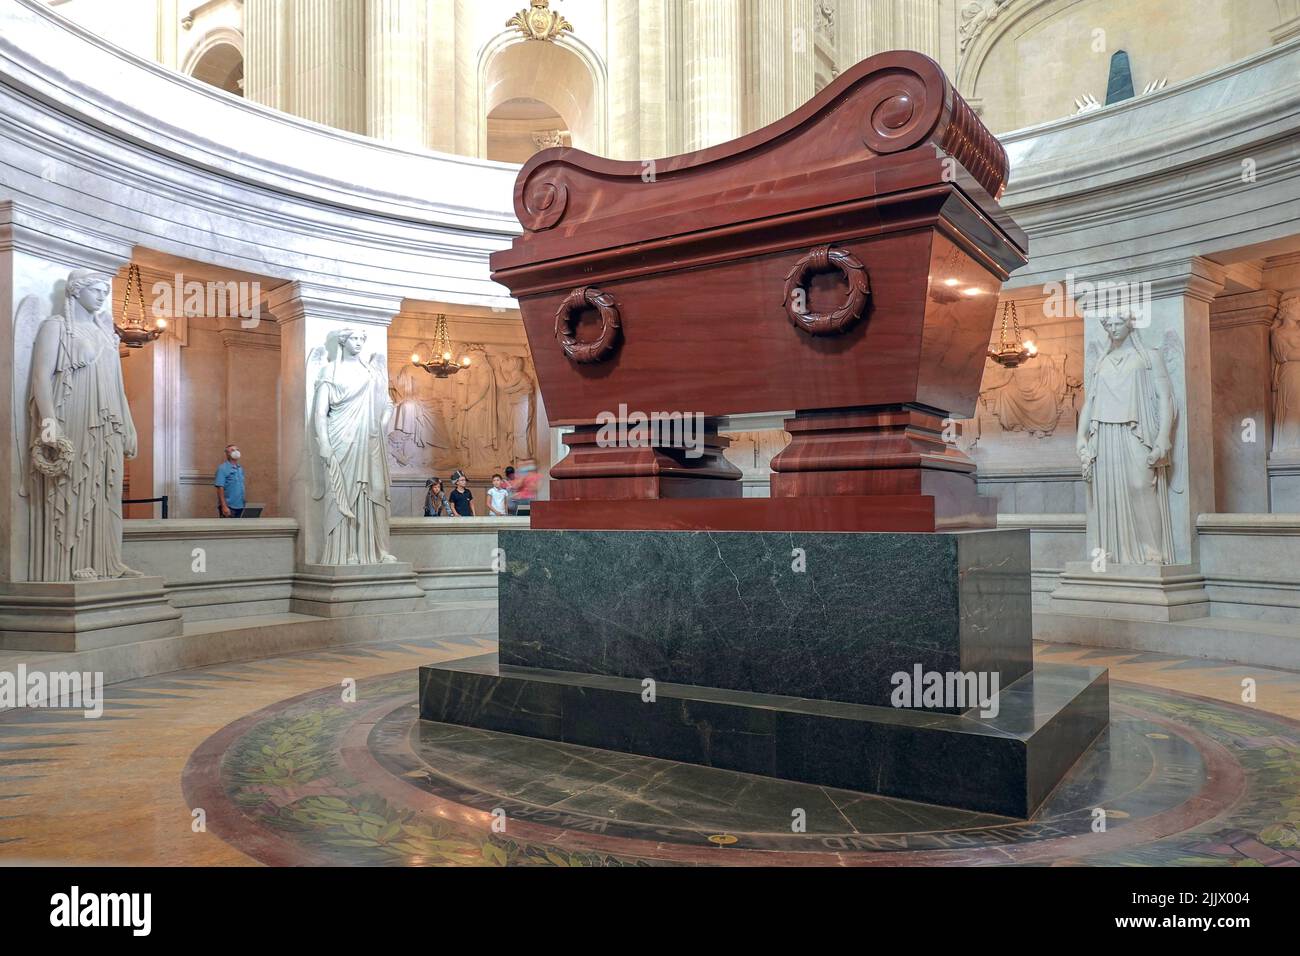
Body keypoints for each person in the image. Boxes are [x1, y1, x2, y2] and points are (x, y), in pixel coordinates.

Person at [214, 444, 246, 518]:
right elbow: (220, 488)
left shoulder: (240, 469)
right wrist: (224, 506)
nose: (236, 452)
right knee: (228, 529)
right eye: (232, 450)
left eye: (237, 449)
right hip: (229, 507)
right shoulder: (222, 468)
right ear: (227, 453)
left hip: (241, 506)